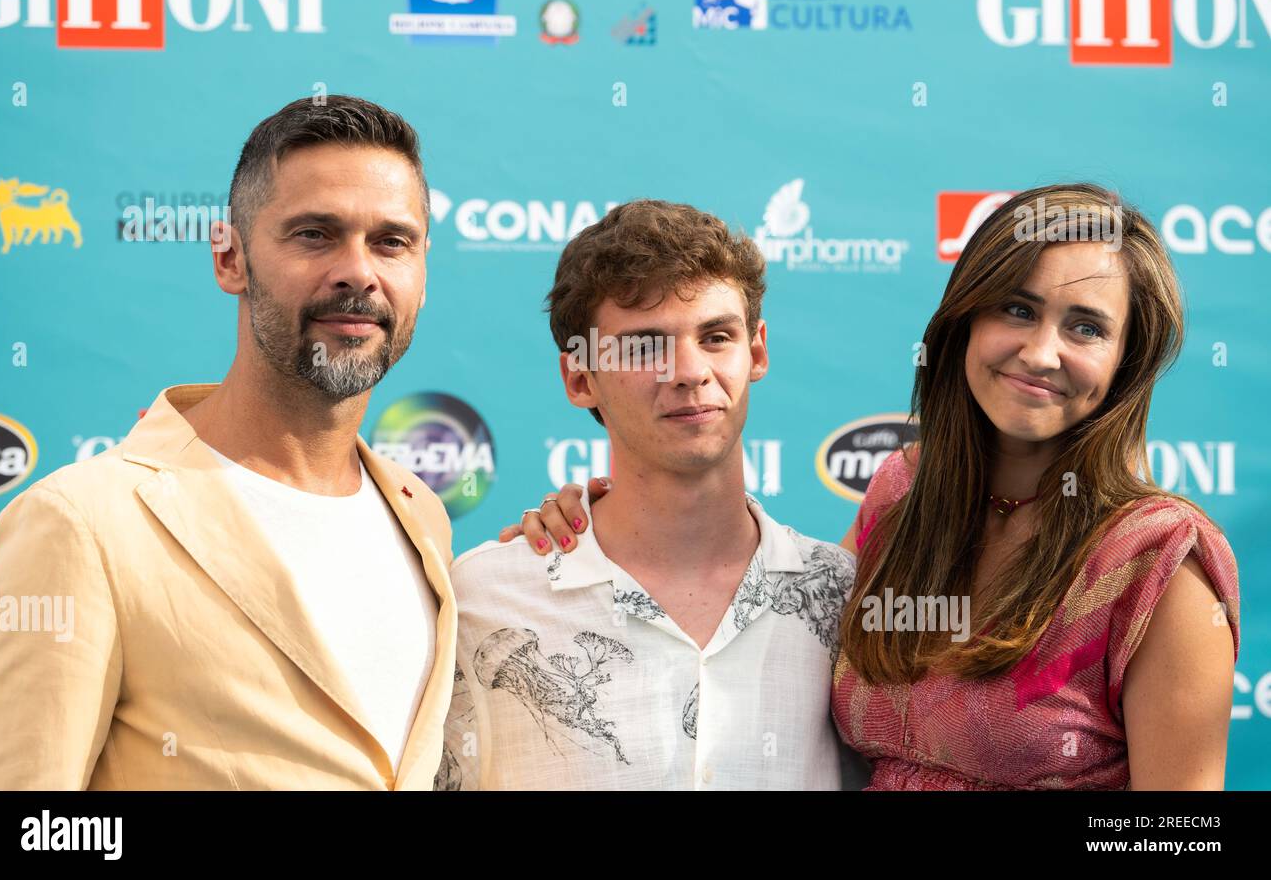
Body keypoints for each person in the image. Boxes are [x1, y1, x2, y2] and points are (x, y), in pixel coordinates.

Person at [525, 183, 1240, 790]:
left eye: (1085, 328)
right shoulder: (902, 495)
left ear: (1126, 361)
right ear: (965, 320)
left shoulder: (1160, 564)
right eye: (1017, 309)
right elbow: (770, 599)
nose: (1040, 351)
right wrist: (594, 525)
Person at [0, 95, 455, 789]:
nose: (357, 271)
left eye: (391, 241)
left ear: (422, 271)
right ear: (230, 259)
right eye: (315, 235)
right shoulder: (82, 524)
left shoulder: (423, 520)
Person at [436, 200, 862, 790]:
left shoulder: (840, 593)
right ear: (580, 379)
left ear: (756, 352)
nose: (689, 370)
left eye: (716, 336)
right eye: (644, 347)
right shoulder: (484, 598)